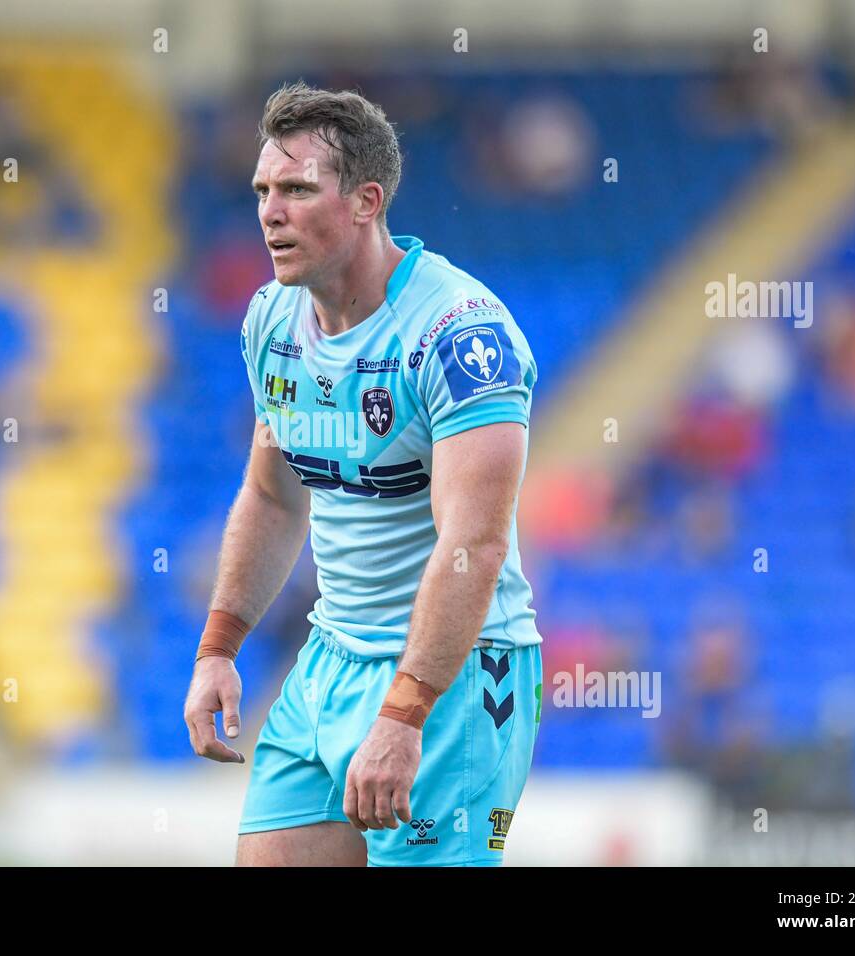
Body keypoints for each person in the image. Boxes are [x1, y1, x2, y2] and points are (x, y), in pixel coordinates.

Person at [182, 82, 544, 866]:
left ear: (365, 202)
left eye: (297, 189)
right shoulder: (271, 321)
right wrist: (219, 648)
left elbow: (472, 545)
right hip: (329, 661)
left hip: (453, 679)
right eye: (262, 191)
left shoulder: (460, 338)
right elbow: (273, 498)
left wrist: (405, 714)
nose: (270, 212)